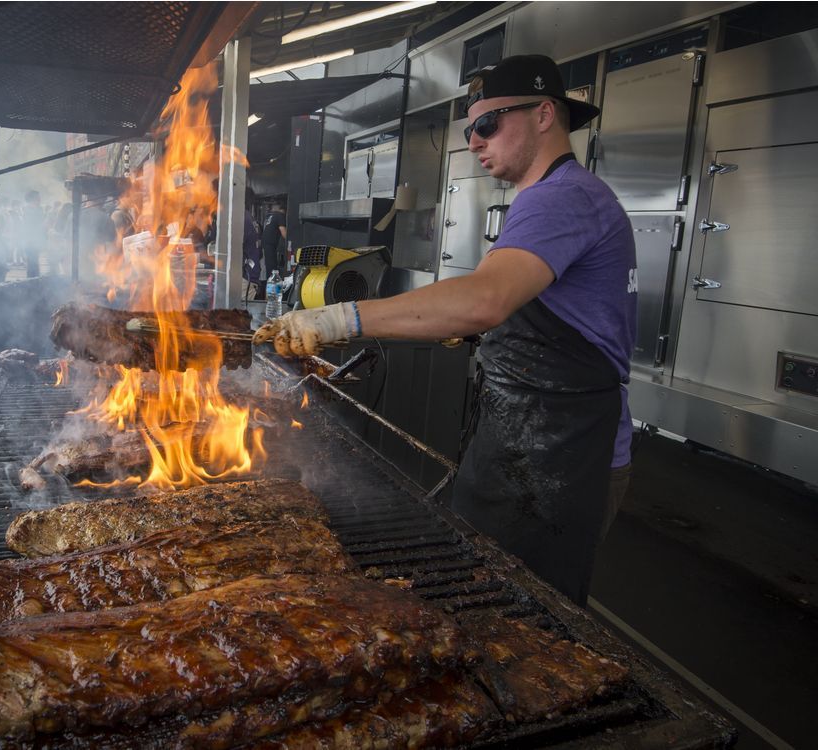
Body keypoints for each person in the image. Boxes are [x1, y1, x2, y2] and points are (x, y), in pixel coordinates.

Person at [254, 55, 638, 606]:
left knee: (519, 610)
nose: (475, 141)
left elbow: (484, 299)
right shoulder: (553, 197)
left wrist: (338, 317)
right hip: (526, 437)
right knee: (486, 592)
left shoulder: (562, 197)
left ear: (544, 114)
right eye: (469, 130)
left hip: (562, 452)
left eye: (489, 124)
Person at [21, 190, 45, 278]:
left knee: (35, 263)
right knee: (32, 264)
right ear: (33, 198)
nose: (40, 199)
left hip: (37, 241)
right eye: (38, 197)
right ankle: (31, 283)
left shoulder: (39, 209)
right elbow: (30, 227)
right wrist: (44, 225)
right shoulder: (27, 211)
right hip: (30, 241)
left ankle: (36, 281)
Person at [261, 199, 288, 277]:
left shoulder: (272, 215)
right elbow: (283, 232)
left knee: (269, 266)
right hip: (270, 244)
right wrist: (291, 241)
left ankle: (269, 281)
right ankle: (272, 282)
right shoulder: (280, 216)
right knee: (272, 267)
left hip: (265, 243)